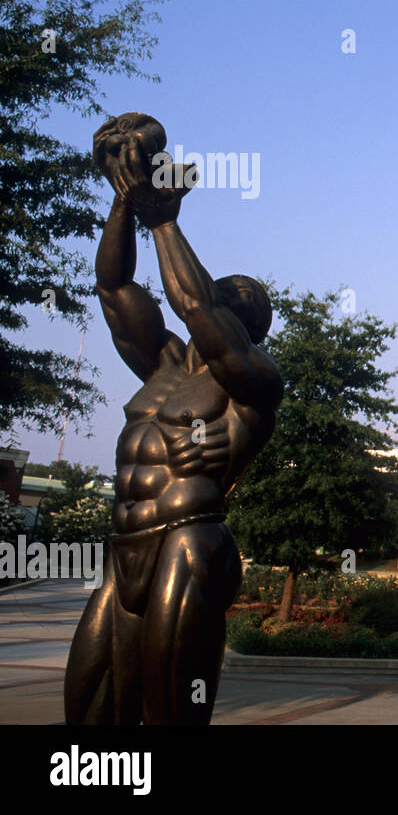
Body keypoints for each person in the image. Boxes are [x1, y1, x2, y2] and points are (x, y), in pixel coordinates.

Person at [64, 114, 283, 724]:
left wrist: (161, 219)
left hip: (189, 542)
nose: (214, 300)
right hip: (124, 547)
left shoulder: (252, 384)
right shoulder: (160, 365)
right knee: (90, 709)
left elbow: (194, 303)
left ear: (245, 328)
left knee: (169, 709)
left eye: (230, 302)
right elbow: (114, 287)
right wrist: (122, 202)